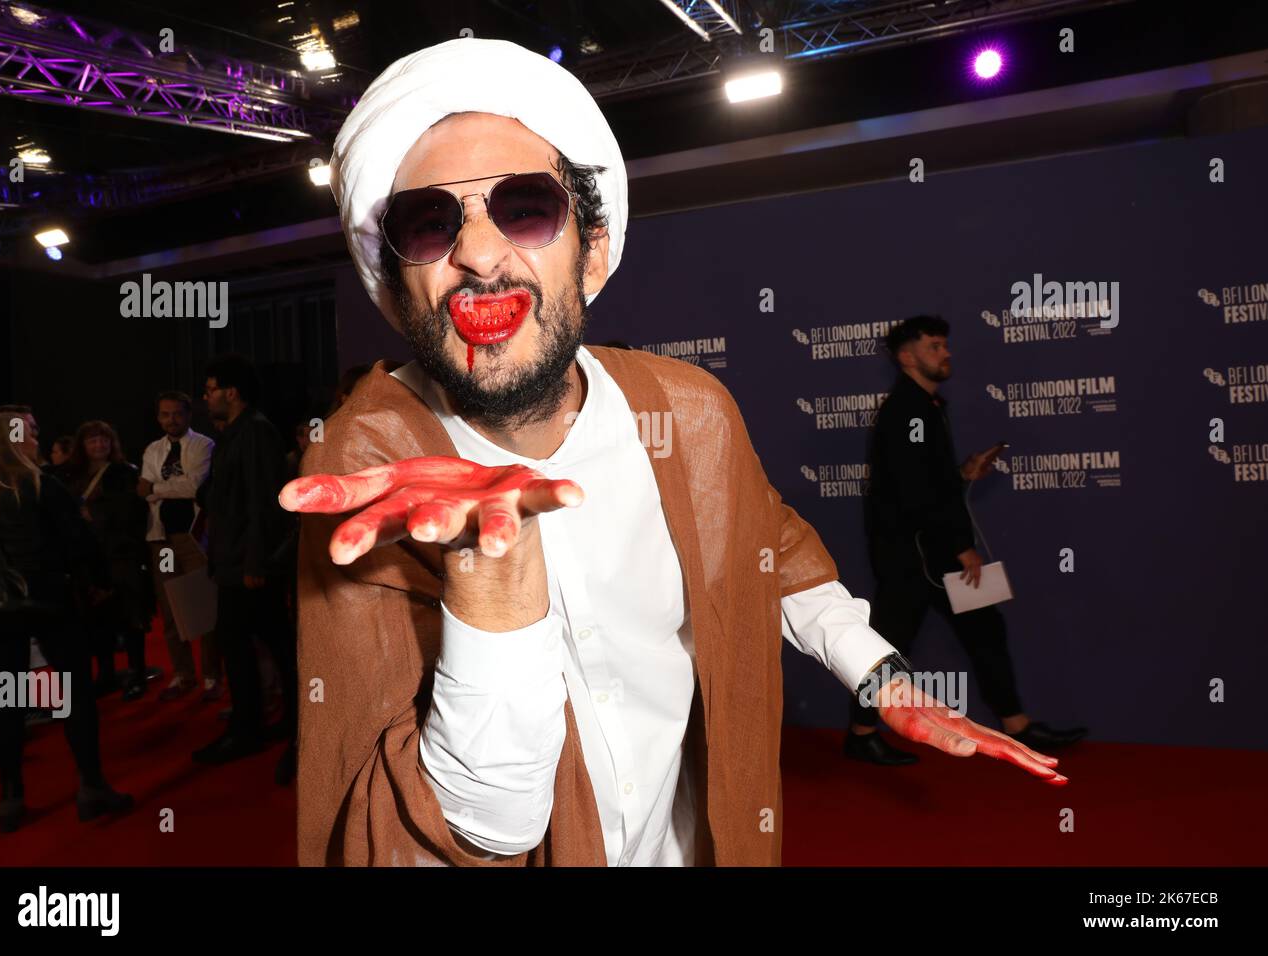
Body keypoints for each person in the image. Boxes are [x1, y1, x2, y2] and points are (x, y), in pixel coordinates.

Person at [282, 38, 1067, 868]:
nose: (478, 253)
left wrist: (878, 674)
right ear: (400, 293)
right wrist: (495, 597)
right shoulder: (364, 465)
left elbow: (770, 549)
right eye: (430, 222)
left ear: (590, 253)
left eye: (523, 208)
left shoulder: (684, 412)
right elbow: (469, 834)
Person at [846, 315, 1088, 765]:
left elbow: (928, 484)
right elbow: (915, 493)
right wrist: (960, 545)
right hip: (917, 557)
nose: (945, 352)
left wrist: (962, 473)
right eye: (933, 346)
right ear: (907, 357)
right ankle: (861, 734)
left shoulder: (927, 406)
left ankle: (1017, 725)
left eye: (944, 345)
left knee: (980, 631)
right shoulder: (907, 410)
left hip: (928, 550)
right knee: (890, 644)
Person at [0, 411, 133, 832]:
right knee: (75, 694)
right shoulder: (43, 486)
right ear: (14, 440)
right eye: (31, 431)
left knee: (7, 701)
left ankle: (10, 798)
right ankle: (92, 788)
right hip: (51, 604)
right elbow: (80, 543)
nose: (38, 438)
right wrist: (99, 583)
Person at [192, 355, 297, 784]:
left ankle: (251, 729)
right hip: (237, 561)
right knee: (269, 644)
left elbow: (262, 504)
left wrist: (254, 563)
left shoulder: (253, 433)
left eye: (210, 388)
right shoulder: (239, 433)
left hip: (247, 566)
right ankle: (274, 724)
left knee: (247, 646)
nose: (206, 396)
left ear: (231, 393)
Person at [61, 420, 154, 700]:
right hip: (88, 558)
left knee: (130, 617)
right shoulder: (71, 476)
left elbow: (134, 514)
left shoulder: (125, 473)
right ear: (82, 445)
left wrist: (96, 517)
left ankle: (137, 674)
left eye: (104, 439)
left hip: (121, 555)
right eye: (92, 440)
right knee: (96, 619)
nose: (99, 444)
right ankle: (106, 674)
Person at [139, 391, 220, 702]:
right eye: (165, 414)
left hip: (192, 539)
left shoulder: (203, 444)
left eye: (176, 414)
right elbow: (142, 492)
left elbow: (194, 487)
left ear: (188, 415)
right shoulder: (152, 449)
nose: (170, 420)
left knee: (204, 608)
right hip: (161, 541)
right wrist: (159, 491)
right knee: (171, 609)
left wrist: (157, 489)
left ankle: (212, 676)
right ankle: (183, 674)